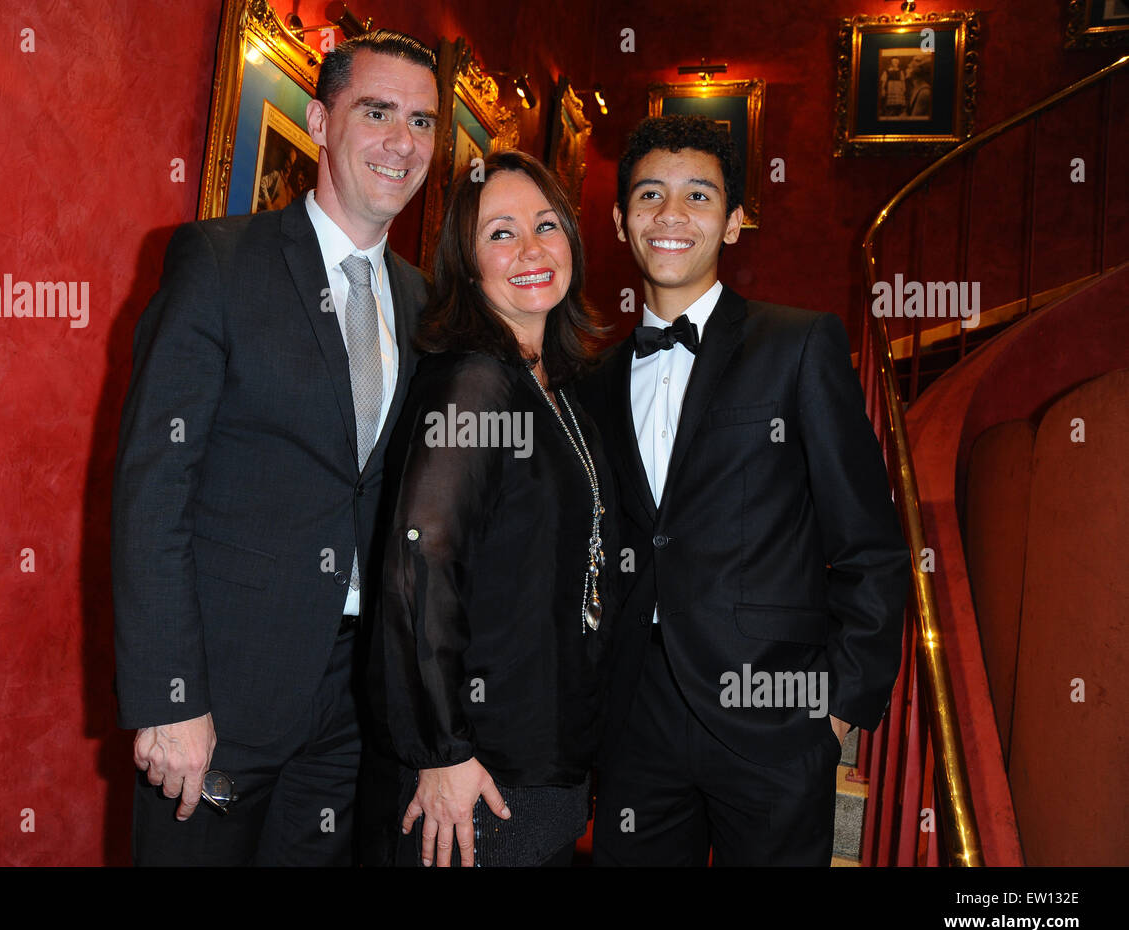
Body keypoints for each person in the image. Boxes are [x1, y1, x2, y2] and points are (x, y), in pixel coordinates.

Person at [110, 29, 438, 866]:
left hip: (354, 708)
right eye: (378, 112)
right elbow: (153, 492)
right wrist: (169, 696)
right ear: (320, 121)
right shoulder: (219, 263)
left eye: (424, 122)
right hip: (219, 696)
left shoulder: (424, 303)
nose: (403, 142)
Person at [579, 115, 910, 866]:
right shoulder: (591, 380)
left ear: (732, 223)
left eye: (699, 196)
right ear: (620, 220)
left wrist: (835, 710)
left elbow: (870, 544)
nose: (671, 215)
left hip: (774, 708)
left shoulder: (799, 344)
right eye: (650, 195)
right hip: (636, 714)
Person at [373, 151, 613, 867]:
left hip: (547, 755)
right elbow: (420, 566)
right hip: (480, 772)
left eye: (546, 226)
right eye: (501, 234)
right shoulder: (474, 380)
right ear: (466, 264)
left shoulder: (558, 388)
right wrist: (442, 751)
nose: (532, 250)